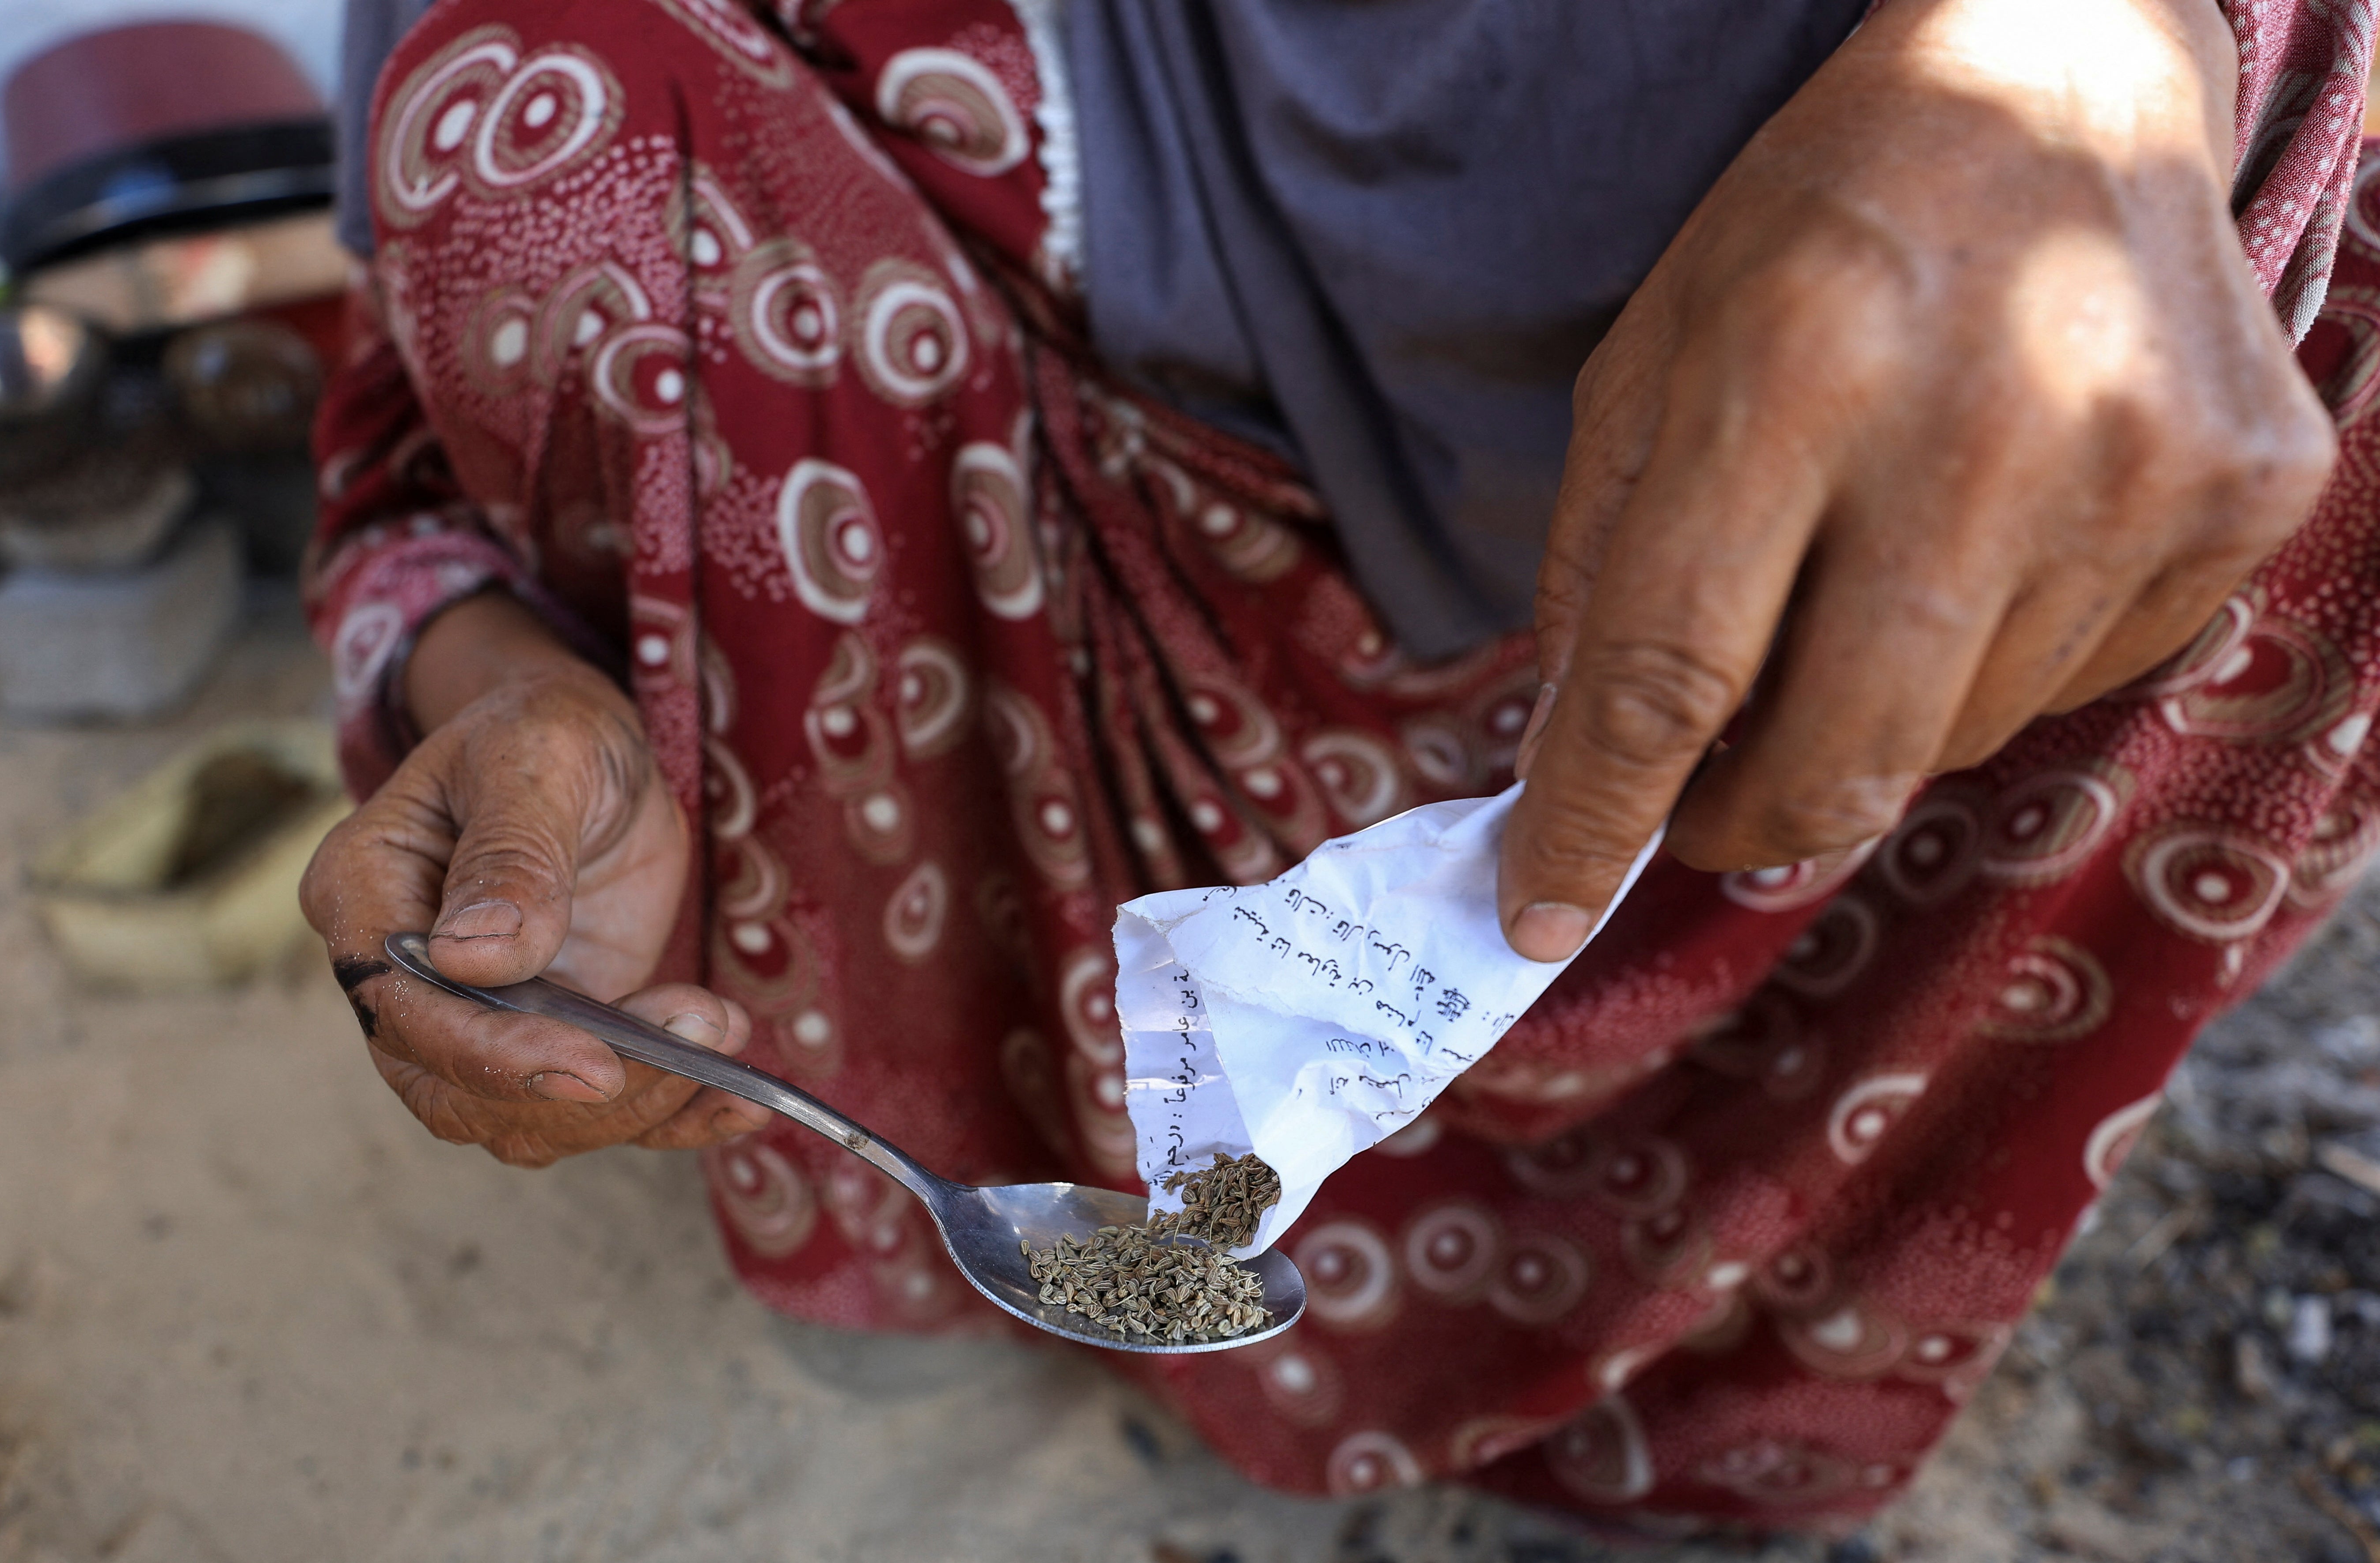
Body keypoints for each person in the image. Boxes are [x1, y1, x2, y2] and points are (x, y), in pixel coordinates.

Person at [301, 0, 2377, 1534]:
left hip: (1897, 213)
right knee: (530, 124)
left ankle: (1696, 1375)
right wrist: (506, 677)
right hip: (1056, 234)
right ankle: (891, 1166)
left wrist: (2092, 52)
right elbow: (405, 371)